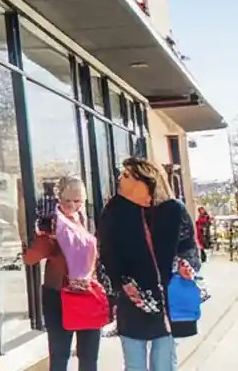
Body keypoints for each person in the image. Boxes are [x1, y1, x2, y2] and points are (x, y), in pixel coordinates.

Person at [99, 157, 200, 371]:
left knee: (163, 365)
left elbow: (188, 247)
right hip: (132, 299)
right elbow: (106, 253)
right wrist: (121, 283)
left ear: (144, 181)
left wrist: (185, 266)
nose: (120, 178)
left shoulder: (173, 210)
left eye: (126, 175)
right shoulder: (114, 209)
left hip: (166, 301)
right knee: (134, 365)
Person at [24, 177, 101, 371]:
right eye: (68, 201)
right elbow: (31, 257)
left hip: (86, 292)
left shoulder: (85, 221)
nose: (73, 206)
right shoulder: (52, 224)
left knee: (89, 356)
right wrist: (42, 239)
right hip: (59, 295)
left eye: (78, 201)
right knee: (60, 355)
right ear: (59, 199)